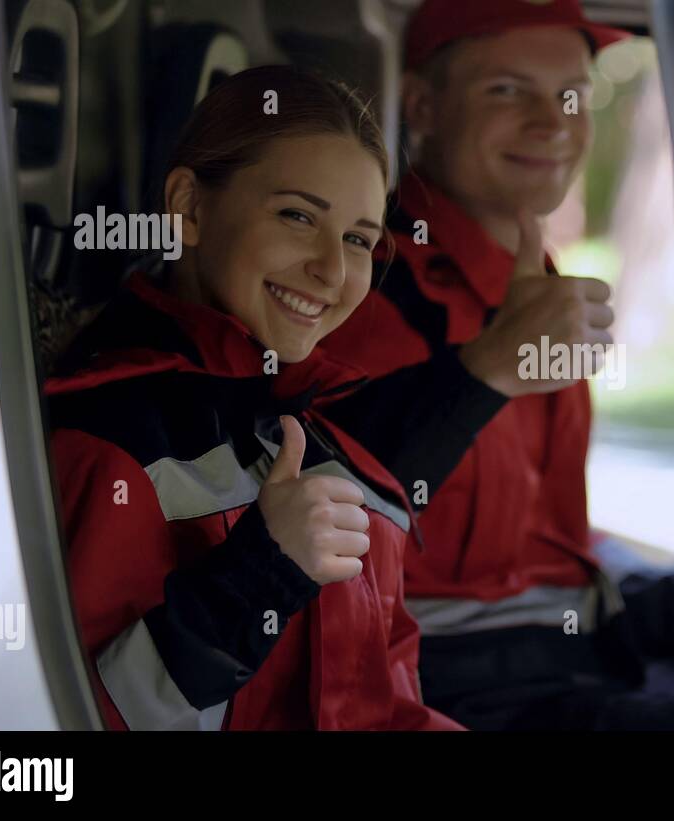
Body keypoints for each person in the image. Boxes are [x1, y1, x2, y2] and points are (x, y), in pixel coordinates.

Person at [321, 0, 674, 730]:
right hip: (443, 692)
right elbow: (314, 508)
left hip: (577, 657)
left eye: (572, 94)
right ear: (421, 103)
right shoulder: (355, 286)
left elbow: (553, 557)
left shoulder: (538, 281)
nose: (553, 123)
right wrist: (482, 371)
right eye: (508, 91)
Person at [45, 65, 459, 730]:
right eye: (297, 216)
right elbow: (62, 730)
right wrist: (255, 578)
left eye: (357, 238)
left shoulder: (334, 448)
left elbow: (387, 709)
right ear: (188, 208)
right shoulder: (110, 448)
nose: (331, 268)